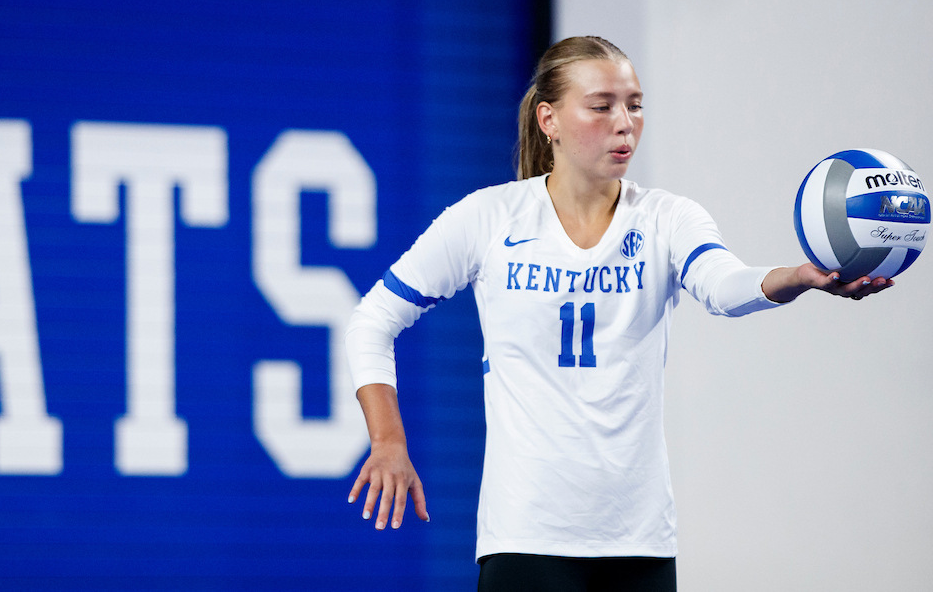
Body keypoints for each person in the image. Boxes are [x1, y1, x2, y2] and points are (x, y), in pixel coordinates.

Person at [343, 36, 892, 592]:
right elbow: (371, 321)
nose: (625, 122)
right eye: (602, 105)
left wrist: (798, 277)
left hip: (640, 543)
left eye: (635, 104)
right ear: (548, 119)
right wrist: (388, 441)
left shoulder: (666, 218)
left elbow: (724, 286)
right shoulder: (489, 217)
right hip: (528, 537)